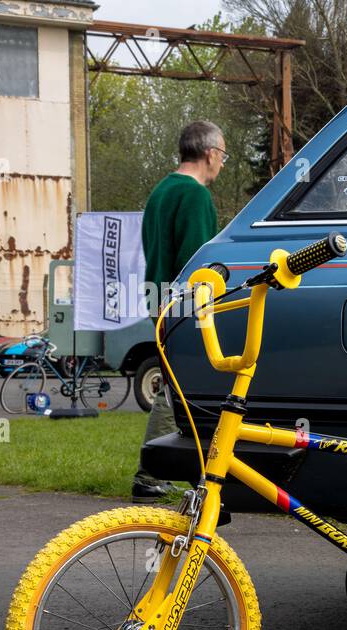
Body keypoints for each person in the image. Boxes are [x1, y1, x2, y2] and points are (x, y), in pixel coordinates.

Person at [133, 120, 227, 502]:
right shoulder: (195, 196)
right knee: (180, 391)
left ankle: (178, 470)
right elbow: (198, 262)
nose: (222, 163)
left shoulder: (161, 191)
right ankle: (152, 474)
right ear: (210, 153)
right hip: (187, 305)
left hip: (160, 300)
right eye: (222, 154)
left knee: (175, 390)